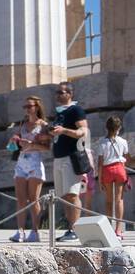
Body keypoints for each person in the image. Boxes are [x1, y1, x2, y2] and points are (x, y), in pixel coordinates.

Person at [51, 82, 89, 242]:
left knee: (73, 194)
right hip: (58, 157)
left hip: (71, 157)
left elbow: (83, 131)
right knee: (64, 196)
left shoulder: (76, 110)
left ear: (70, 94)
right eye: (57, 92)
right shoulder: (58, 112)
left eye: (62, 92)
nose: (58, 95)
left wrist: (64, 130)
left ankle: (75, 229)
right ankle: (70, 228)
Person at [9, 96, 51, 242]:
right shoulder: (22, 124)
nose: (27, 109)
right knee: (20, 199)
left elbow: (47, 147)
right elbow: (16, 142)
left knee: (34, 199)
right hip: (21, 162)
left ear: (36, 107)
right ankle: (20, 231)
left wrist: (31, 145)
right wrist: (14, 140)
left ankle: (35, 231)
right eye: (25, 107)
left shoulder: (44, 125)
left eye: (29, 106)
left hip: (35, 163)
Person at [97, 115, 131, 235]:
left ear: (106, 127)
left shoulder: (102, 142)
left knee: (108, 201)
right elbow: (128, 159)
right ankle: (119, 229)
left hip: (107, 170)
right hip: (120, 169)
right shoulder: (123, 141)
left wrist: (99, 180)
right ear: (119, 128)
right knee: (119, 200)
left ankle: (110, 228)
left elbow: (100, 163)